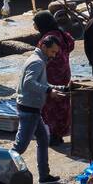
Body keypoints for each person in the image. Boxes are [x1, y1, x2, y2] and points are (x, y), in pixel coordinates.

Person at [13, 35, 64, 184]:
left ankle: (44, 176)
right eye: (53, 52)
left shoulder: (38, 59)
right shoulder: (37, 62)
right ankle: (2, 170)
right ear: (43, 47)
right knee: (19, 148)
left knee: (43, 139)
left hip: (33, 108)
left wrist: (58, 88)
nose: (54, 56)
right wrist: (49, 91)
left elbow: (39, 82)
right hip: (29, 109)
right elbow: (29, 83)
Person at [31, 11, 74, 143]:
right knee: (63, 103)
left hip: (51, 76)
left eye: (35, 23)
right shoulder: (62, 34)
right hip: (64, 73)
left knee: (51, 105)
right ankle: (60, 133)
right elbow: (71, 44)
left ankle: (53, 135)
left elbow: (40, 56)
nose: (34, 26)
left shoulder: (47, 39)